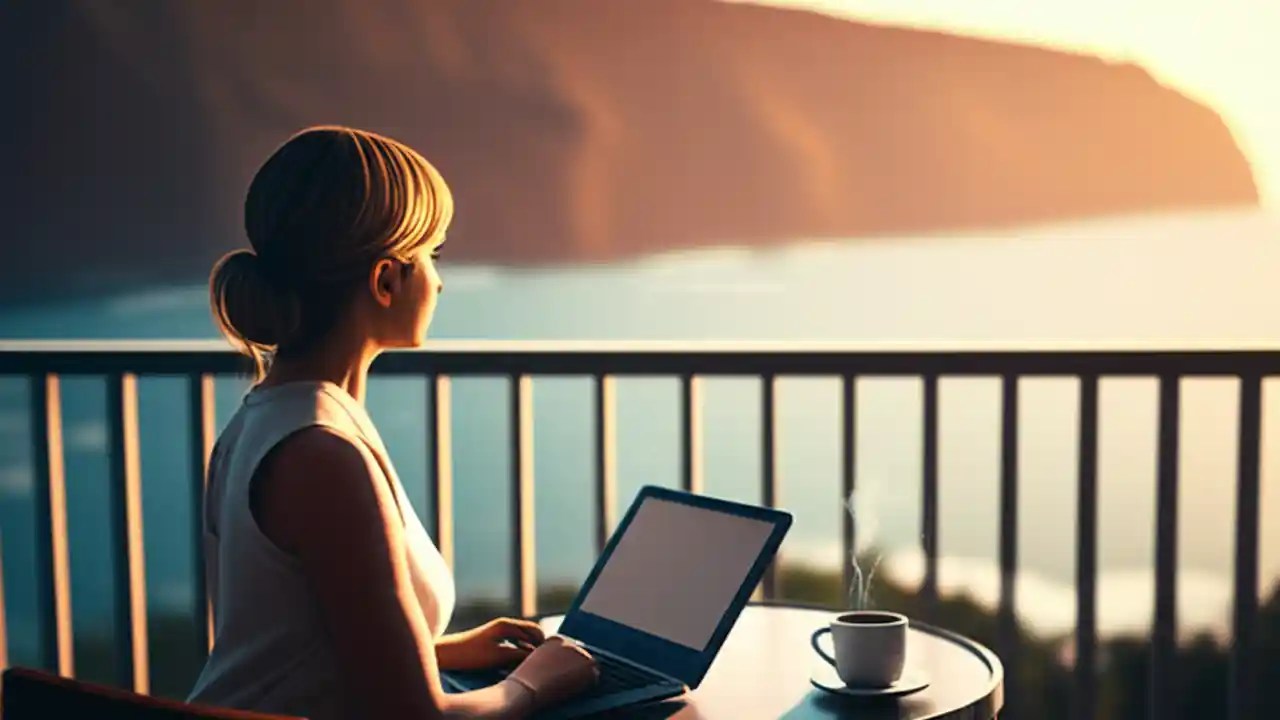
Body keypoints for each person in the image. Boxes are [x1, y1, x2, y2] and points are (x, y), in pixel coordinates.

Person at [188, 126, 598, 719]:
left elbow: (301, 643)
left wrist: (445, 650)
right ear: (385, 281)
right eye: (431, 256)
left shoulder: (273, 418)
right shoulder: (322, 456)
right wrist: (537, 681)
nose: (439, 279)